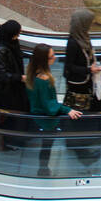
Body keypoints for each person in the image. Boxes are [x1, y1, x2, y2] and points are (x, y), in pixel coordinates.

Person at [26, 44, 83, 174]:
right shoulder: (44, 80)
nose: (55, 58)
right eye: (52, 56)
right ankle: (43, 168)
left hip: (36, 116)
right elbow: (50, 106)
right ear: (44, 60)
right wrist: (67, 110)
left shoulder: (31, 72)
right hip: (46, 121)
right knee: (47, 145)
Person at [0, 19, 27, 127]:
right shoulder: (1, 50)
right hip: (7, 91)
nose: (18, 36)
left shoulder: (9, 42)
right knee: (11, 114)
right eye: (17, 34)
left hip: (13, 86)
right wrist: (19, 77)